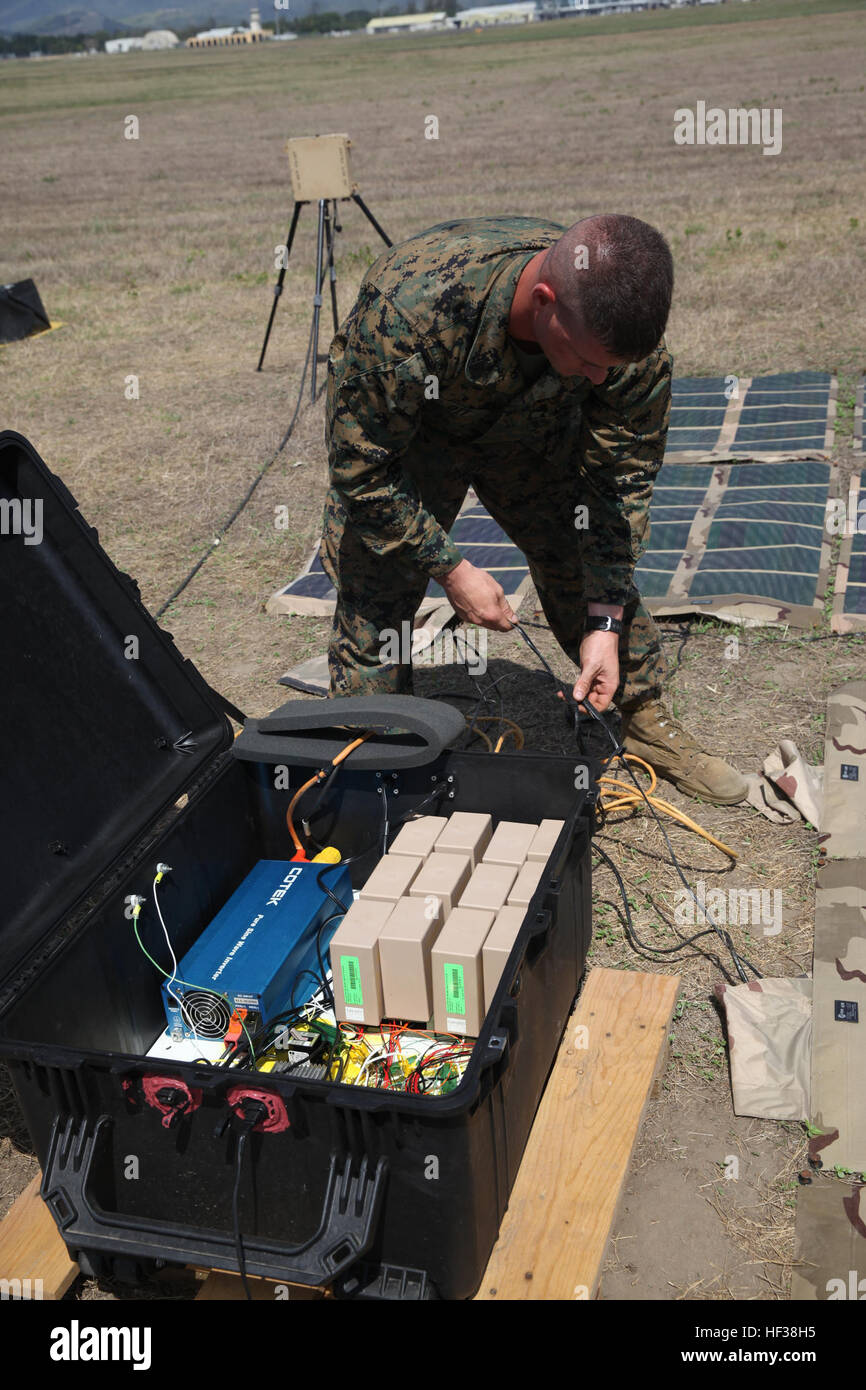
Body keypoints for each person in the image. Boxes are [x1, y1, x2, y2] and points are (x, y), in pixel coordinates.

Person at [318, 214, 747, 805]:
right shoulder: (406, 313)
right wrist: (452, 569)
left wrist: (604, 622)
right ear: (544, 301)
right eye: (588, 360)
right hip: (416, 442)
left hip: (532, 435)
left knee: (580, 548)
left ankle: (642, 717)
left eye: (610, 368)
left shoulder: (619, 341)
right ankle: (376, 754)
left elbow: (619, 484)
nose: (600, 377)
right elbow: (361, 470)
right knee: (376, 583)